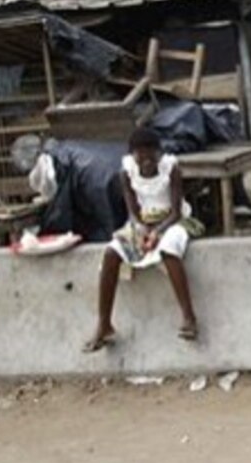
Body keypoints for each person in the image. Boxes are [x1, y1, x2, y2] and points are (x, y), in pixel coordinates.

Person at [84, 128, 202, 352]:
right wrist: (140, 229)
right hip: (143, 223)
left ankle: (189, 317)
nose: (146, 159)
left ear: (159, 153)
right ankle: (104, 324)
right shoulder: (126, 172)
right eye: (140, 154)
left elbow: (176, 211)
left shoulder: (171, 169)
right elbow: (132, 211)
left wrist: (157, 232)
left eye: (151, 153)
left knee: (169, 250)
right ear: (133, 155)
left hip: (172, 221)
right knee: (111, 252)